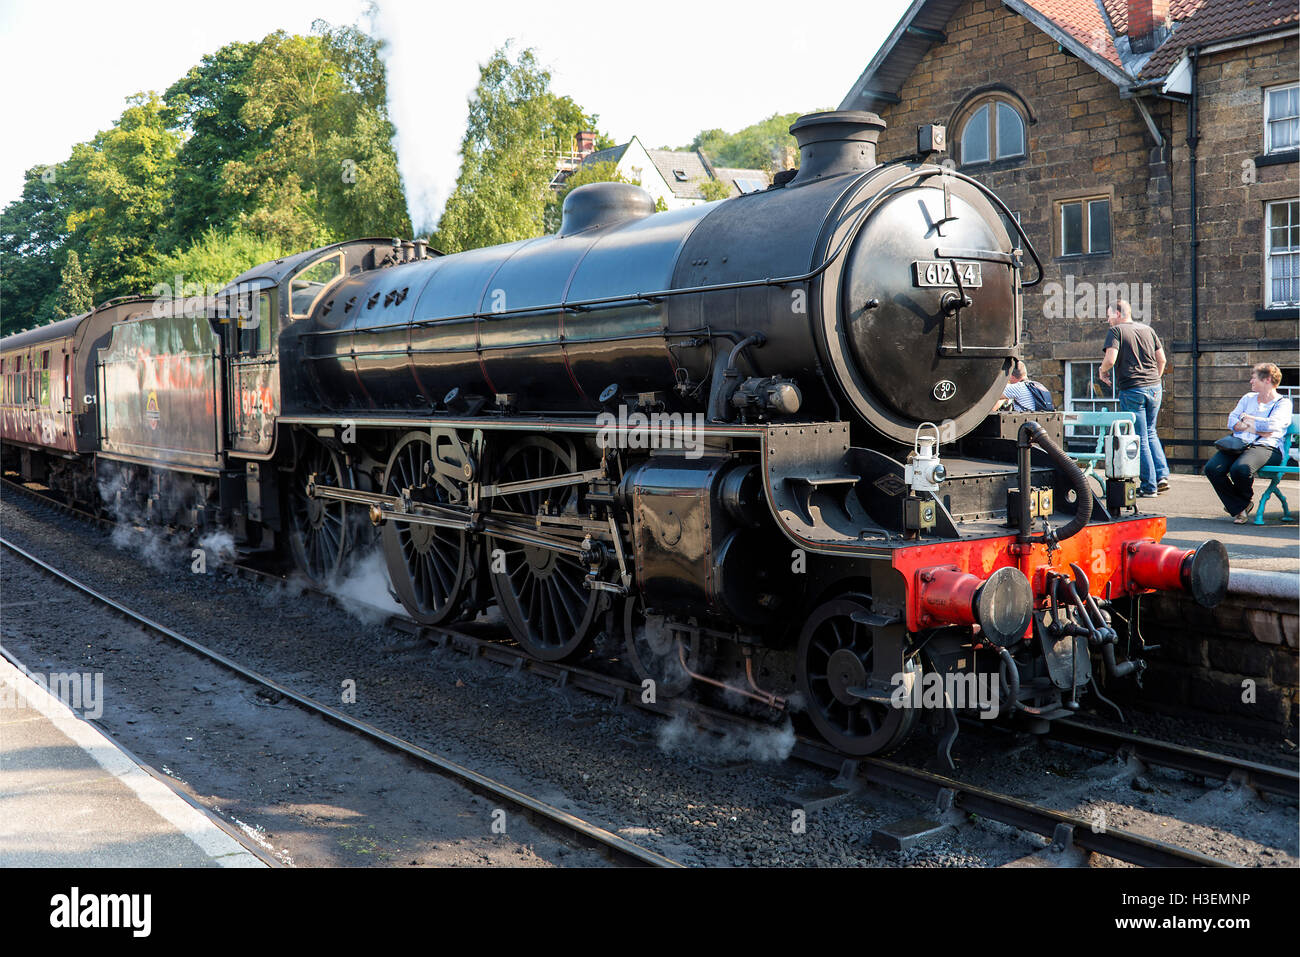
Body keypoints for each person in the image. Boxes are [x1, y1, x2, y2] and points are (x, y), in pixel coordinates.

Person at [1203, 363, 1293, 523]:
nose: (1251, 381)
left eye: (1254, 377)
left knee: (1241, 469)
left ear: (1267, 380)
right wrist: (1257, 428)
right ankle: (1241, 505)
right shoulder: (1248, 398)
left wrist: (1248, 420)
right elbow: (1231, 421)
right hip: (1240, 442)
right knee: (1212, 468)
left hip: (1268, 447)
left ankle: (1239, 506)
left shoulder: (1283, 403)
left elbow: (1273, 426)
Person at [1099, 299, 1169, 497]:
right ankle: (1162, 476)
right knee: (1150, 432)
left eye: (1109, 315)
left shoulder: (1116, 331)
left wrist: (1102, 371)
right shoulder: (1148, 330)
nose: (1107, 320)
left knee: (1141, 438)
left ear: (1118, 314)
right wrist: (1155, 379)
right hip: (1155, 388)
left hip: (1132, 389)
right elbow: (1161, 359)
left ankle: (1149, 486)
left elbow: (1110, 359)